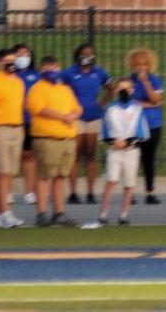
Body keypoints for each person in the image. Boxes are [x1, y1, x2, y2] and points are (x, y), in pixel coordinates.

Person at [24, 54, 80, 227]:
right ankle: (41, 213)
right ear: (41, 69)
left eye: (54, 67)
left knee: (61, 176)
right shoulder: (37, 88)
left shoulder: (65, 89)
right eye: (47, 68)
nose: (51, 71)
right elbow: (39, 108)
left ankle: (59, 212)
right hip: (47, 139)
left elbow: (78, 108)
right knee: (44, 176)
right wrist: (63, 117)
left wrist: (73, 115)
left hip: (67, 138)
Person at [63, 42, 111, 205]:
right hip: (76, 117)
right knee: (75, 155)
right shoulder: (70, 72)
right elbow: (60, 90)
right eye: (84, 53)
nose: (87, 56)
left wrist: (103, 102)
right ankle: (73, 192)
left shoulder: (98, 72)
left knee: (91, 154)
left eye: (90, 53)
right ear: (78, 55)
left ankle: (91, 192)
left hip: (94, 116)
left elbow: (112, 87)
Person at [96, 79, 149, 226]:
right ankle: (103, 214)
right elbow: (104, 133)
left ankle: (124, 215)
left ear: (132, 90)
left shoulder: (138, 109)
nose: (124, 91)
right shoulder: (110, 109)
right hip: (114, 151)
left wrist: (127, 142)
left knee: (129, 184)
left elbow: (143, 133)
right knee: (111, 181)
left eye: (126, 88)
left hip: (131, 151)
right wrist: (114, 142)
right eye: (120, 89)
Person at [0, 48, 26, 228]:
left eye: (14, 60)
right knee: (2, 172)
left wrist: (21, 128)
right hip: (0, 128)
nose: (12, 64)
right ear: (0, 62)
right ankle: (5, 211)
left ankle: (0, 212)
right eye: (8, 61)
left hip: (15, 128)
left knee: (10, 172)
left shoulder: (18, 82)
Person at [127, 47, 164, 205]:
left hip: (153, 124)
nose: (141, 67)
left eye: (144, 64)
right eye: (138, 64)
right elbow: (127, 101)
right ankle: (130, 193)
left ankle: (150, 192)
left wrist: (146, 83)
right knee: (132, 159)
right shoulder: (129, 81)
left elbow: (156, 100)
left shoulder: (155, 80)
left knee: (149, 159)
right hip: (133, 125)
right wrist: (145, 104)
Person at [14, 44, 41, 205]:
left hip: (31, 121)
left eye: (26, 54)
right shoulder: (11, 75)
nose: (23, 57)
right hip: (14, 120)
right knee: (12, 158)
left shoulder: (35, 75)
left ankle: (29, 191)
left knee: (29, 156)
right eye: (19, 54)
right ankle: (7, 192)